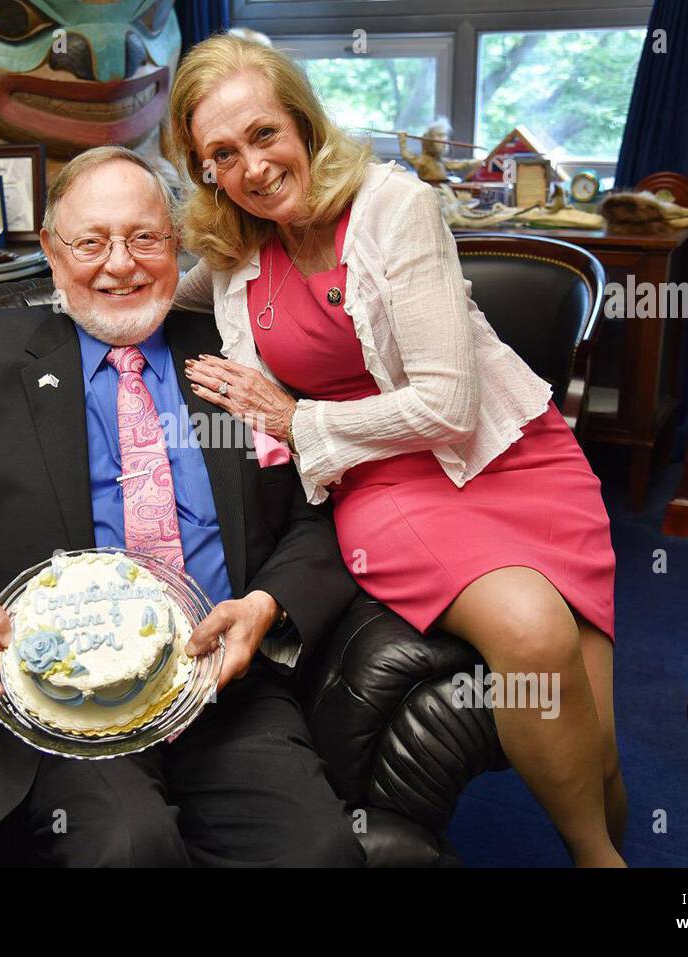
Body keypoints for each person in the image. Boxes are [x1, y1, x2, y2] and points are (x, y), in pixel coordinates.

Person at [0, 144, 364, 868]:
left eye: (145, 237)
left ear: (177, 245)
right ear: (51, 251)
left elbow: (318, 514)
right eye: (90, 241)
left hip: (219, 683)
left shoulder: (238, 353)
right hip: (56, 699)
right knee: (128, 848)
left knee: (321, 852)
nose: (121, 264)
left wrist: (267, 604)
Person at [169, 33, 627, 867]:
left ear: (303, 123)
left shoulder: (392, 206)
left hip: (505, 450)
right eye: (221, 155)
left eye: (264, 134)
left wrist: (299, 419)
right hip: (384, 483)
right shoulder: (233, 247)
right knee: (531, 636)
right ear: (205, 172)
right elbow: (145, 278)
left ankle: (612, 839)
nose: (253, 168)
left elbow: (450, 406)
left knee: (599, 738)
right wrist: (72, 273)